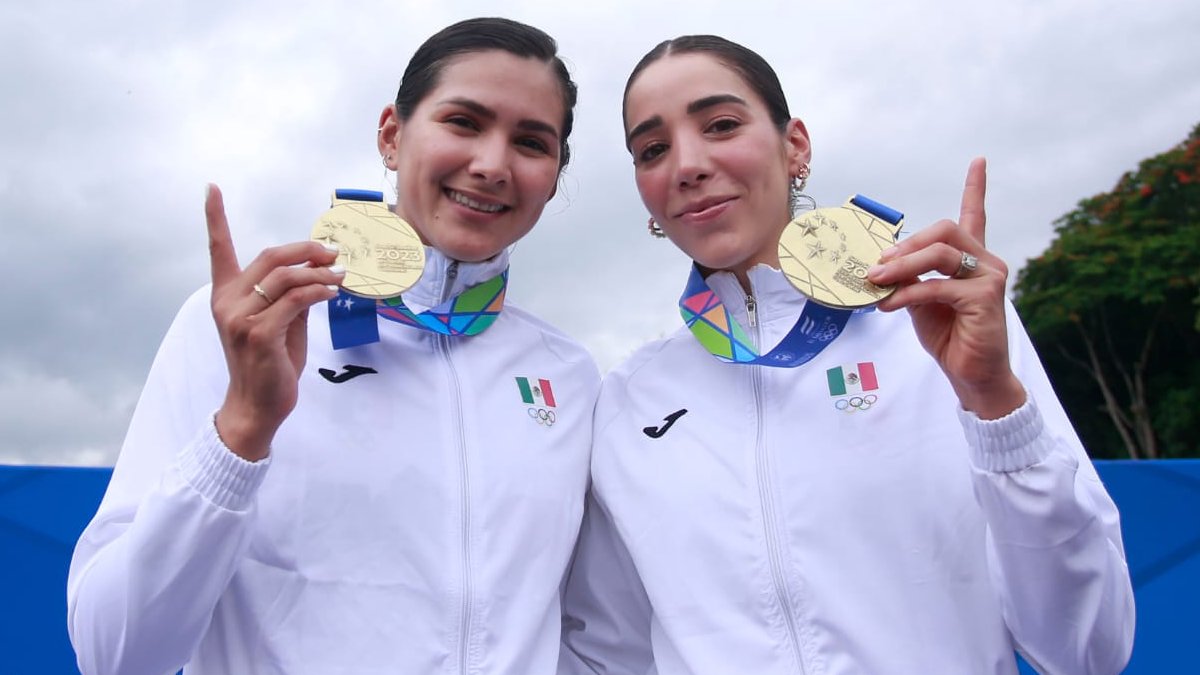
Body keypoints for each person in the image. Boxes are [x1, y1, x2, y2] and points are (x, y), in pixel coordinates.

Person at [559, 35, 1134, 675]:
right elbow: (609, 657)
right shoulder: (628, 400)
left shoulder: (945, 332)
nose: (686, 164)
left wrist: (993, 401)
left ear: (794, 145)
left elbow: (1088, 650)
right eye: (652, 149)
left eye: (721, 125)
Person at [68, 18, 599, 675]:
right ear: (392, 135)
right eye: (463, 122)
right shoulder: (248, 328)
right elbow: (114, 654)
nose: (491, 164)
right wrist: (241, 432)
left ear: (552, 176)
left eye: (530, 142)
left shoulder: (569, 375)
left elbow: (591, 636)